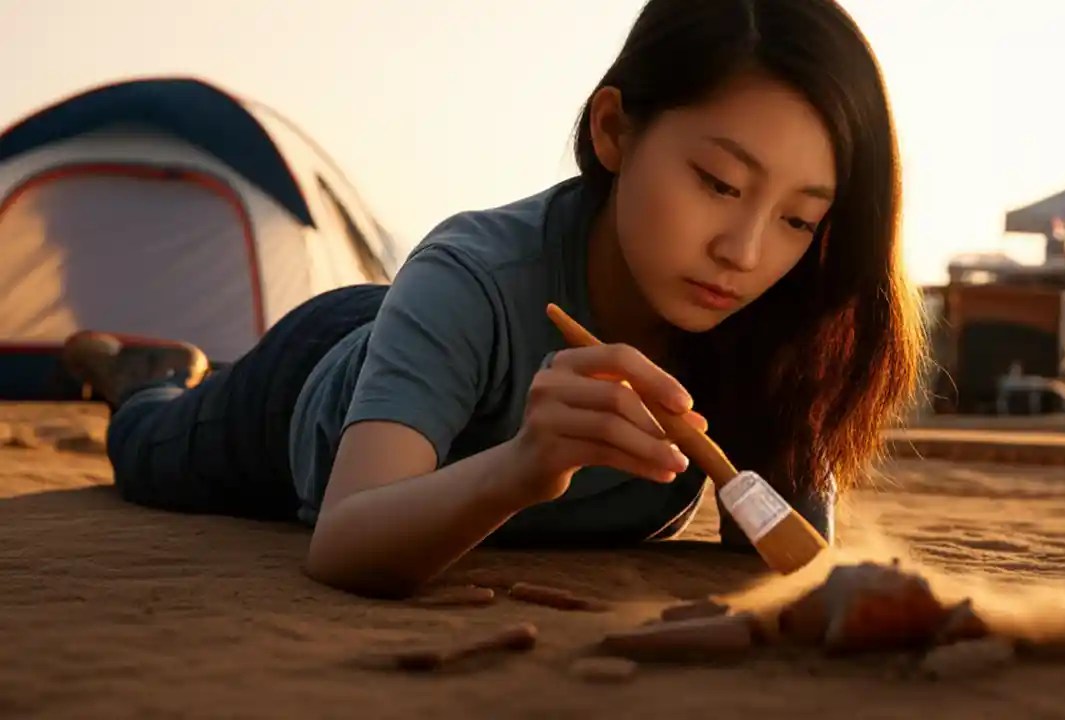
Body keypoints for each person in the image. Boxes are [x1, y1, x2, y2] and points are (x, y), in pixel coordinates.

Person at [63, 0, 925, 599]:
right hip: (316, 381)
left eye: (801, 219)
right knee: (149, 454)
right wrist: (523, 466)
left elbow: (780, 554)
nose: (743, 253)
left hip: (418, 331)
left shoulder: (770, 317)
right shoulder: (475, 275)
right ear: (614, 129)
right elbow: (344, 540)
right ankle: (146, 376)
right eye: (718, 183)